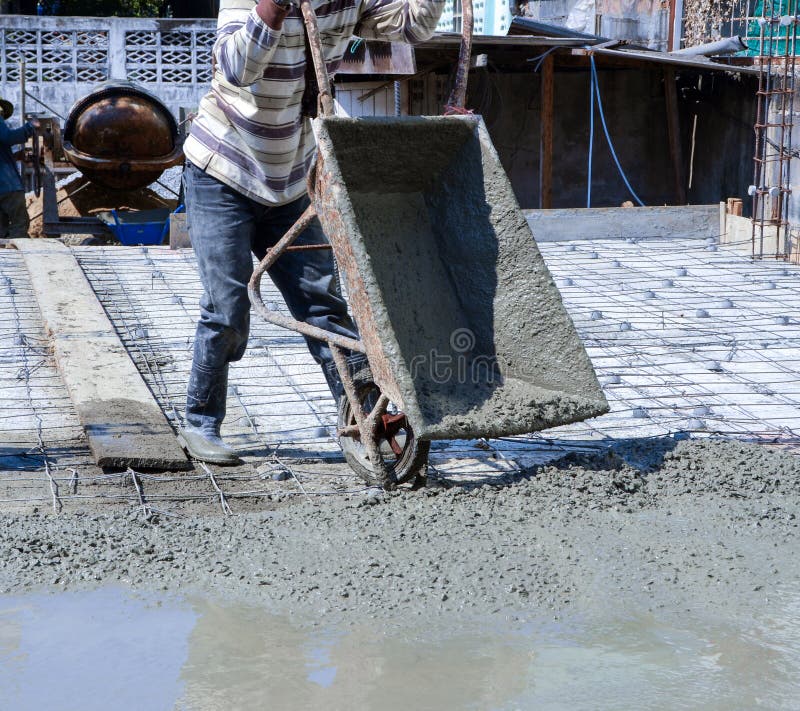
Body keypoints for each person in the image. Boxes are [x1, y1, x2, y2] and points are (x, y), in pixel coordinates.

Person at [178, 0, 445, 464]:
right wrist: (273, 9)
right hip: (225, 168)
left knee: (322, 308)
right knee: (226, 306)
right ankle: (200, 422)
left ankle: (364, 415)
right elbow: (236, 68)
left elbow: (413, 26)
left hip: (292, 179)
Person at [0, 97, 34, 241]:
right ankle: (20, 253)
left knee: (1, 229)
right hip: (7, 186)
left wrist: (16, 156)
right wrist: (30, 127)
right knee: (19, 223)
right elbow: (7, 137)